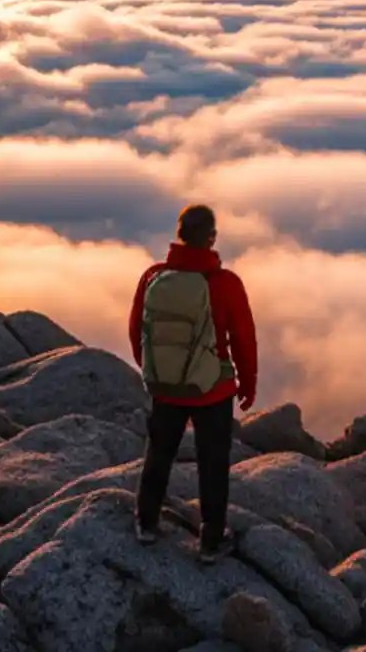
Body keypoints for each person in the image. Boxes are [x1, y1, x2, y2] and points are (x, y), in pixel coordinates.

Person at [130, 204, 257, 564]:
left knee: (159, 452)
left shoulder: (153, 277)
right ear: (212, 237)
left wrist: (156, 371)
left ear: (179, 233)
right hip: (212, 389)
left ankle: (146, 521)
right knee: (213, 462)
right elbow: (243, 339)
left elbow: (137, 329)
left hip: (166, 386)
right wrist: (247, 383)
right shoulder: (226, 284)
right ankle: (211, 540)